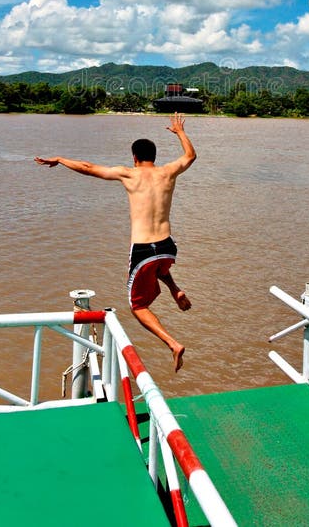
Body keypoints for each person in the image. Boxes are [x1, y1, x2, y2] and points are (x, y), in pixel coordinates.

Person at [34, 113, 196, 372]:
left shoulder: (129, 174)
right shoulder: (168, 172)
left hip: (143, 249)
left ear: (134, 157)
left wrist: (61, 159)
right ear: (154, 156)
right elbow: (190, 156)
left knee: (138, 306)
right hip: (167, 246)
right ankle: (175, 289)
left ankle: (173, 344)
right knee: (158, 266)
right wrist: (180, 133)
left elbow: (88, 168)